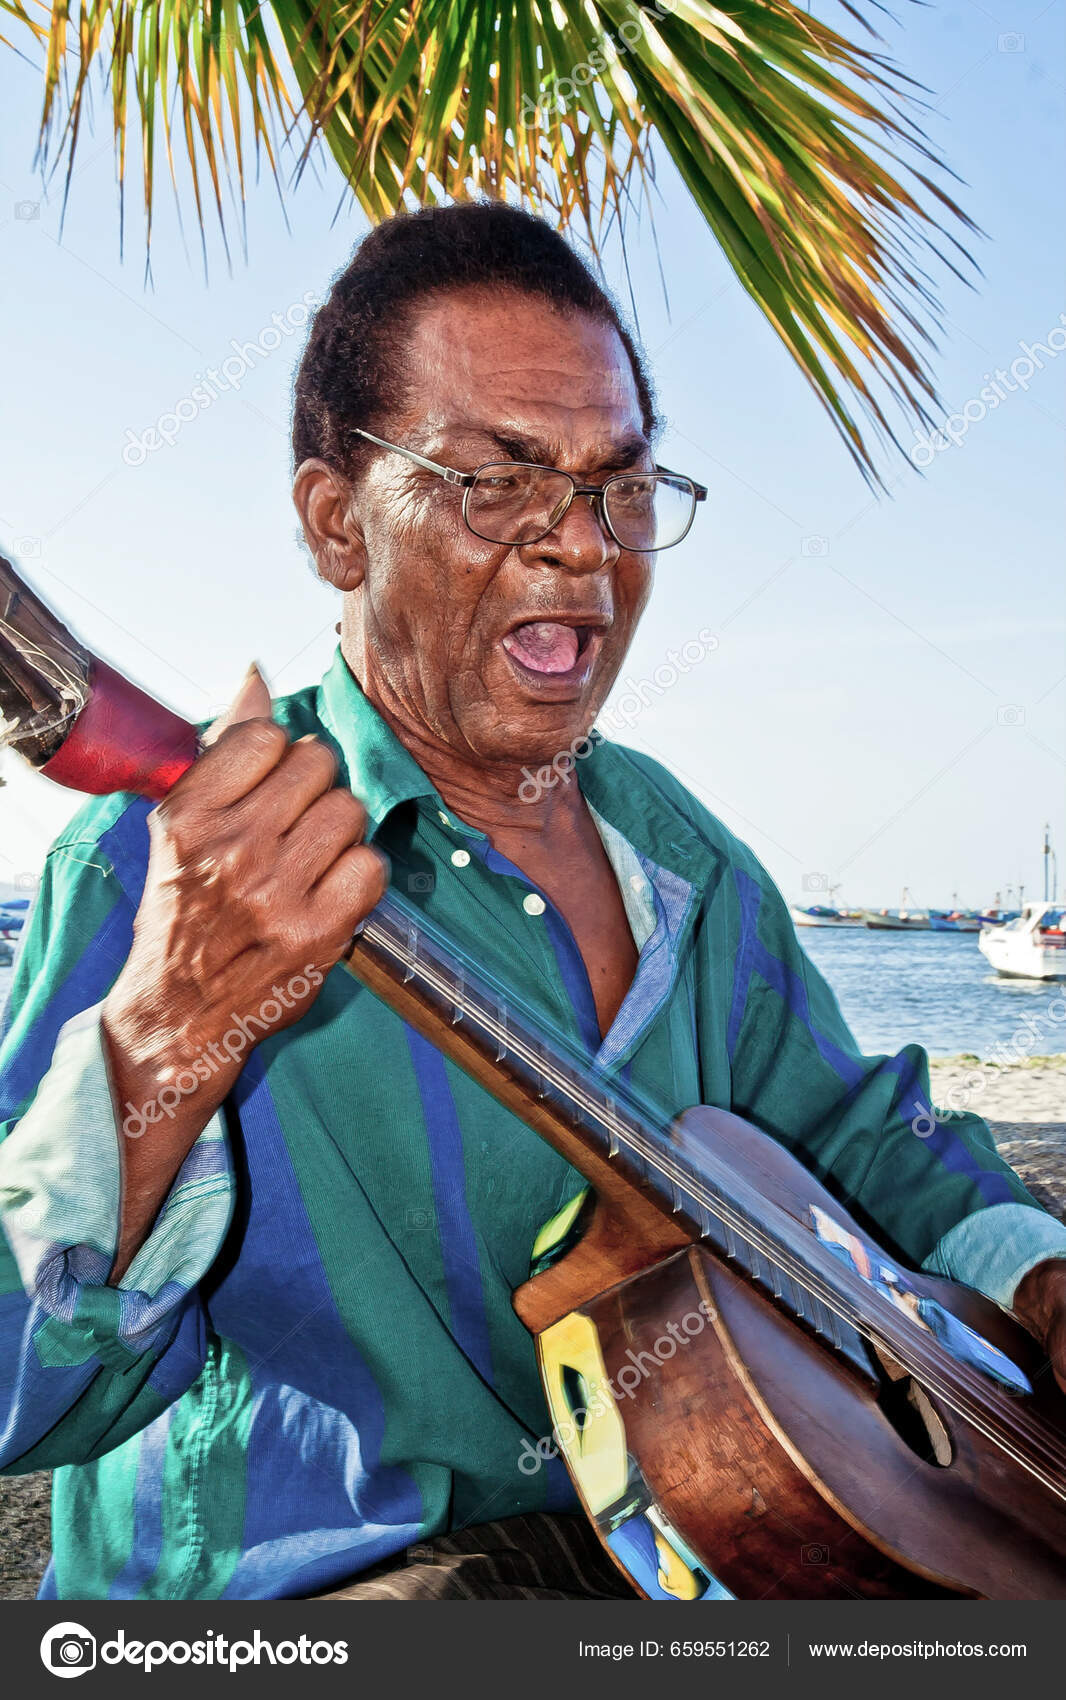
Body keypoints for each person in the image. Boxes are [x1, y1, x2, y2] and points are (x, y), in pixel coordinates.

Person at [1, 202, 1064, 1602]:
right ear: (337, 524)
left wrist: (1038, 1277)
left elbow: (860, 1139)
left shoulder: (678, 850)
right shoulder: (157, 872)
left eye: (617, 486)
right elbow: (24, 1398)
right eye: (497, 481)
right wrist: (168, 1037)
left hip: (680, 1545)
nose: (581, 544)